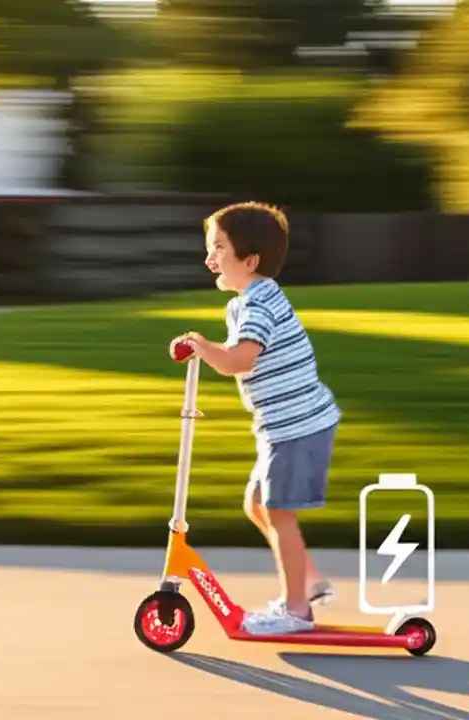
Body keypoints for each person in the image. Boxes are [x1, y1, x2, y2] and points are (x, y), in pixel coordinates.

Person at [172, 201, 341, 635]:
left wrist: (202, 345)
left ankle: (296, 611)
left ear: (249, 261)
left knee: (278, 511)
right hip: (284, 426)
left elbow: (241, 360)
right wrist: (205, 346)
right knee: (257, 504)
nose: (210, 258)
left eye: (219, 248)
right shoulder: (247, 302)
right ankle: (309, 580)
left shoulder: (259, 305)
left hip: (297, 425)